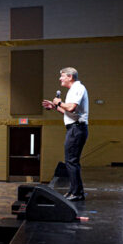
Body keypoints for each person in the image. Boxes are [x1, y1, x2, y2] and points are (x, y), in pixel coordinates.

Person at [42, 67, 89, 201]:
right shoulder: (73, 90)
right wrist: (55, 106)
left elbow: (71, 107)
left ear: (70, 77)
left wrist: (59, 102)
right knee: (71, 161)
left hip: (76, 128)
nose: (60, 78)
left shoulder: (78, 88)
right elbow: (69, 112)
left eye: (62, 76)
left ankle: (76, 193)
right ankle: (75, 191)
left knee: (71, 161)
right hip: (74, 128)